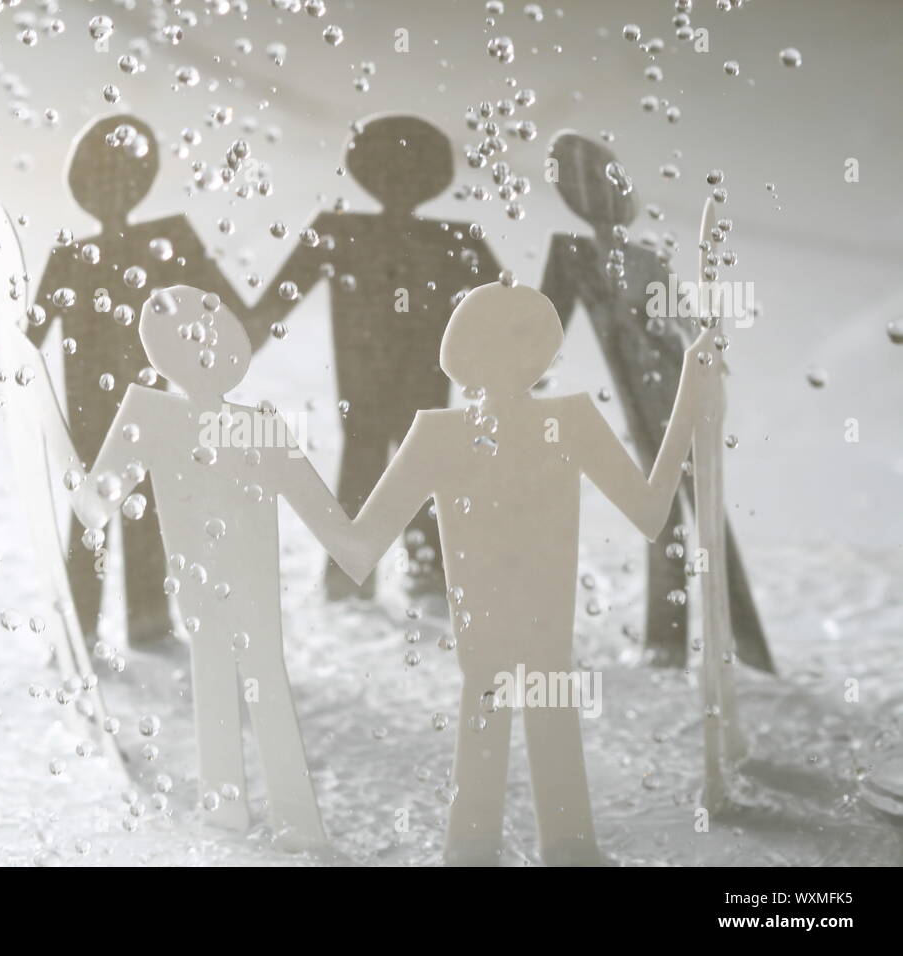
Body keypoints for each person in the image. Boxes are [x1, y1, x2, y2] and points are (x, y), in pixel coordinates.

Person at [334, 282, 716, 865]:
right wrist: (689, 395)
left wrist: (691, 392)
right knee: (529, 787)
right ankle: (538, 850)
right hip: (525, 648)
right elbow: (651, 511)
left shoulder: (473, 430)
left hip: (517, 649)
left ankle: (517, 850)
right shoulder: (521, 426)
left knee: (504, 804)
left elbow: (358, 548)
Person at [69, 285, 359, 849]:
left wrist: (58, 451)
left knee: (234, 680)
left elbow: (94, 505)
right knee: (253, 681)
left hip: (218, 590)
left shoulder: (170, 416)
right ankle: (275, 824)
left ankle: (244, 820)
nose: (218, 339)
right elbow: (337, 530)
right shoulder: (217, 422)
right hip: (221, 591)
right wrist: (365, 542)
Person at [539, 131, 772, 672]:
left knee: (697, 506)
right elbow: (546, 323)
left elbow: (682, 325)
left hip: (675, 385)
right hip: (643, 392)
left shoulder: (647, 258)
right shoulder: (571, 253)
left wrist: (706, 356)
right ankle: (669, 643)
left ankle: (732, 644)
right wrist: (518, 376)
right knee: (664, 507)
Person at [24, 114, 255, 648]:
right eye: (101, 181)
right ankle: (99, 628)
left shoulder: (159, 241)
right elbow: (29, 343)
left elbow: (225, 314)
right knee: (108, 514)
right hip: (104, 412)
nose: (111, 192)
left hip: (140, 408)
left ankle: (123, 625)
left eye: (120, 180)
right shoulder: (75, 255)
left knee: (129, 512)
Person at [253, 114, 500, 600]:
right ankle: (380, 578)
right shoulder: (439, 240)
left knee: (407, 459)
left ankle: (369, 578)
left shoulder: (450, 240)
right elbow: (509, 315)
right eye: (390, 170)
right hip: (382, 385)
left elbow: (505, 313)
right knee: (400, 459)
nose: (398, 183)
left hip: (402, 384)